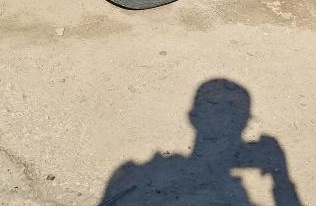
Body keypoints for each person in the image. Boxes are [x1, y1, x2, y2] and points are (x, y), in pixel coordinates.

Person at [98, 79, 301, 205]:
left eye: (231, 114)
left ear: (192, 118)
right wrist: (281, 178)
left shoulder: (132, 176)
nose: (225, 121)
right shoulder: (139, 176)